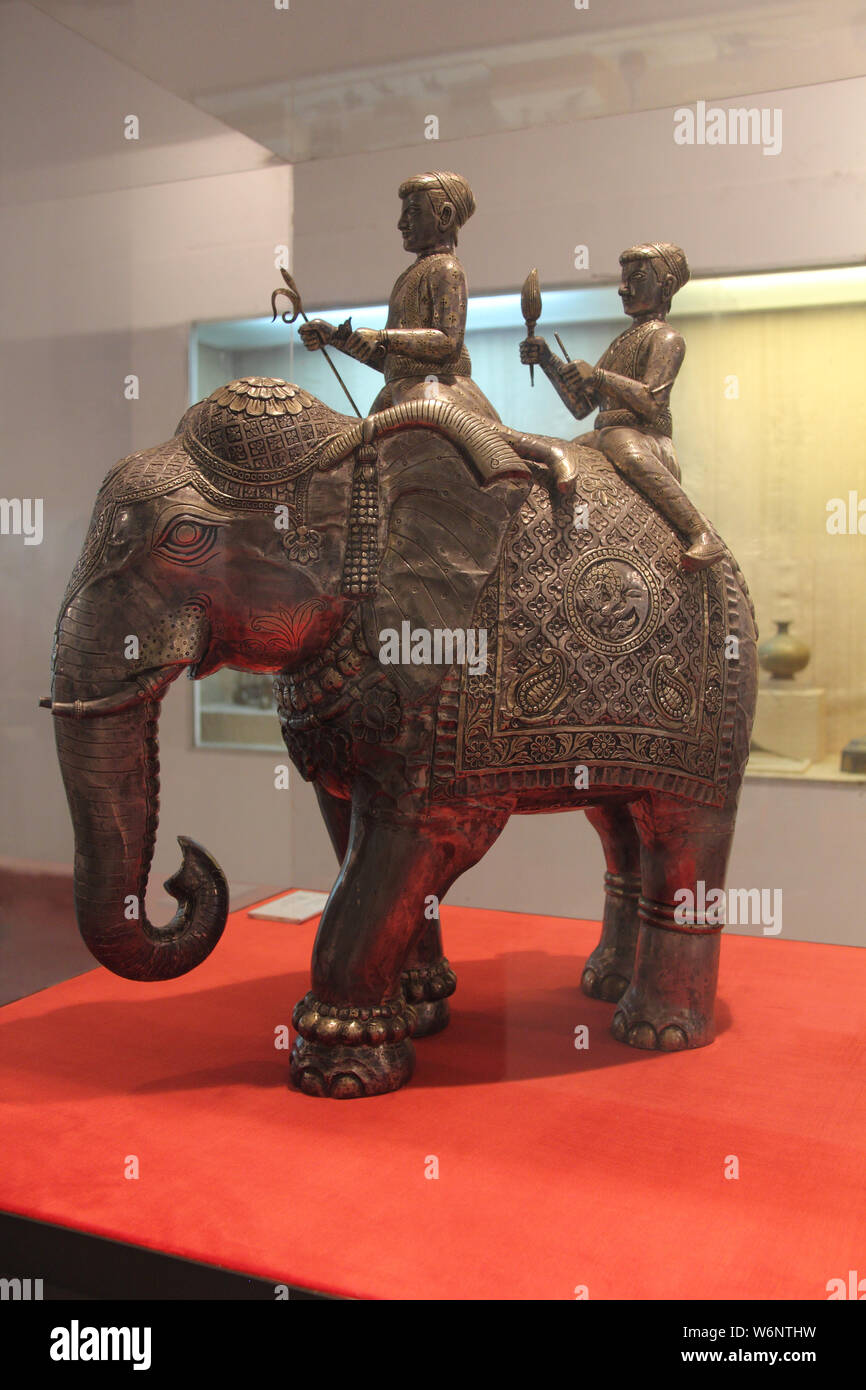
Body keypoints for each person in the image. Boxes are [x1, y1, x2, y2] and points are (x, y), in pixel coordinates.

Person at [520, 242, 724, 571]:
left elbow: (652, 401)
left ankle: (700, 532)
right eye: (623, 279)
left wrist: (598, 375)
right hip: (606, 435)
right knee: (562, 450)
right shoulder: (622, 341)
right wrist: (547, 359)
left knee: (626, 450)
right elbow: (582, 406)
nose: (622, 288)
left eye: (636, 279)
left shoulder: (666, 339)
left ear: (666, 286)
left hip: (644, 439)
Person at [298, 171, 499, 420]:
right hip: (401, 395)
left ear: (445, 216)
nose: (401, 223)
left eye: (413, 212)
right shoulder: (409, 276)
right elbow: (390, 361)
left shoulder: (447, 269)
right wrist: (334, 337)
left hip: (435, 395)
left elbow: (448, 344)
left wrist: (382, 336)